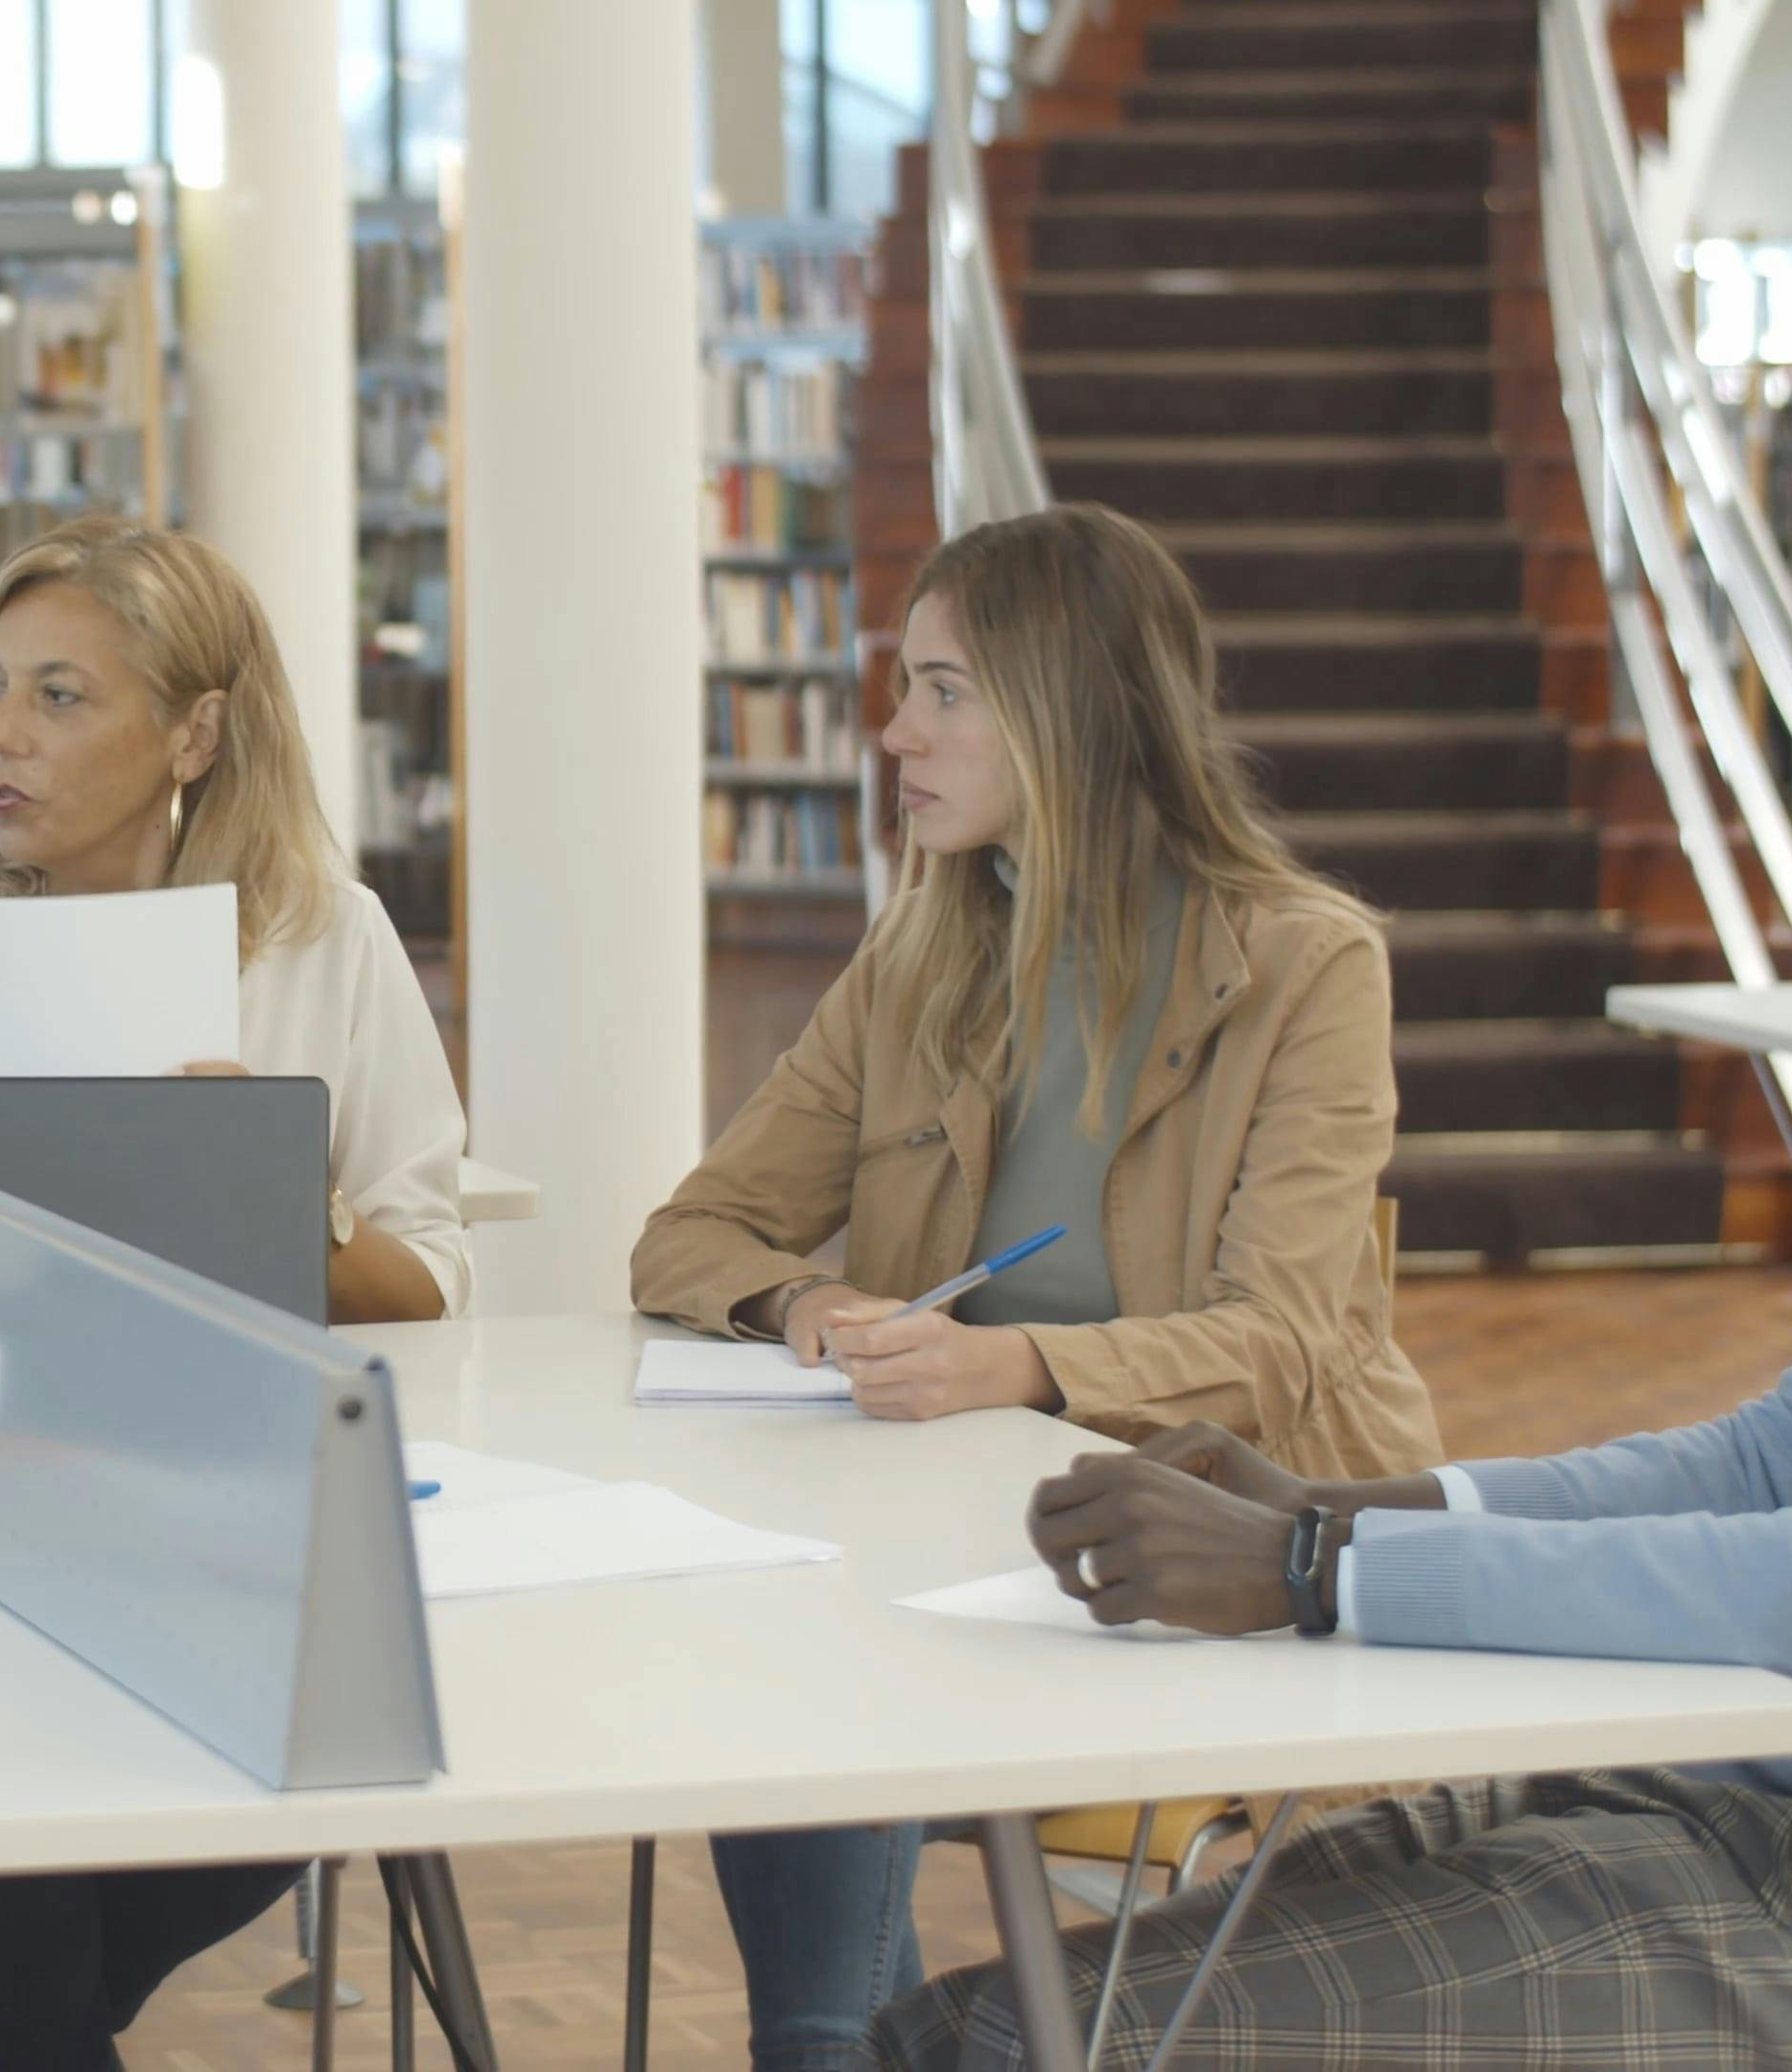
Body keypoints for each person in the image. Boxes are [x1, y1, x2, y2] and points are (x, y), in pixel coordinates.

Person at [627, 504, 1449, 2072]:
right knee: (802, 1661)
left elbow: (1277, 1346)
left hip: (1208, 1542)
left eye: (942, 692)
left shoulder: (1308, 967)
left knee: (842, 1679)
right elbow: (694, 1232)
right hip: (946, 1540)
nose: (891, 733)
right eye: (900, 691)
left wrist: (1008, 1372)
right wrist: (809, 1310)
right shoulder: (922, 957)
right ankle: (829, 2047)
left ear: (1068, 706)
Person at [0, 514, 470, 2069]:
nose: (2, 736)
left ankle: (26, 2042)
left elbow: (429, 1276)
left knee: (322, 1730)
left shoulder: (323, 943)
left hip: (246, 1511)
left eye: (61, 696)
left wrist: (267, 1194)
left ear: (196, 732)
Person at [876, 1321, 1792, 2069]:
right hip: (1716, 1789)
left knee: (1044, 2042)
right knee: (941, 2036)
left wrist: (1324, 1564)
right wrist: (1330, 1511)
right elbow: (1771, 1462)